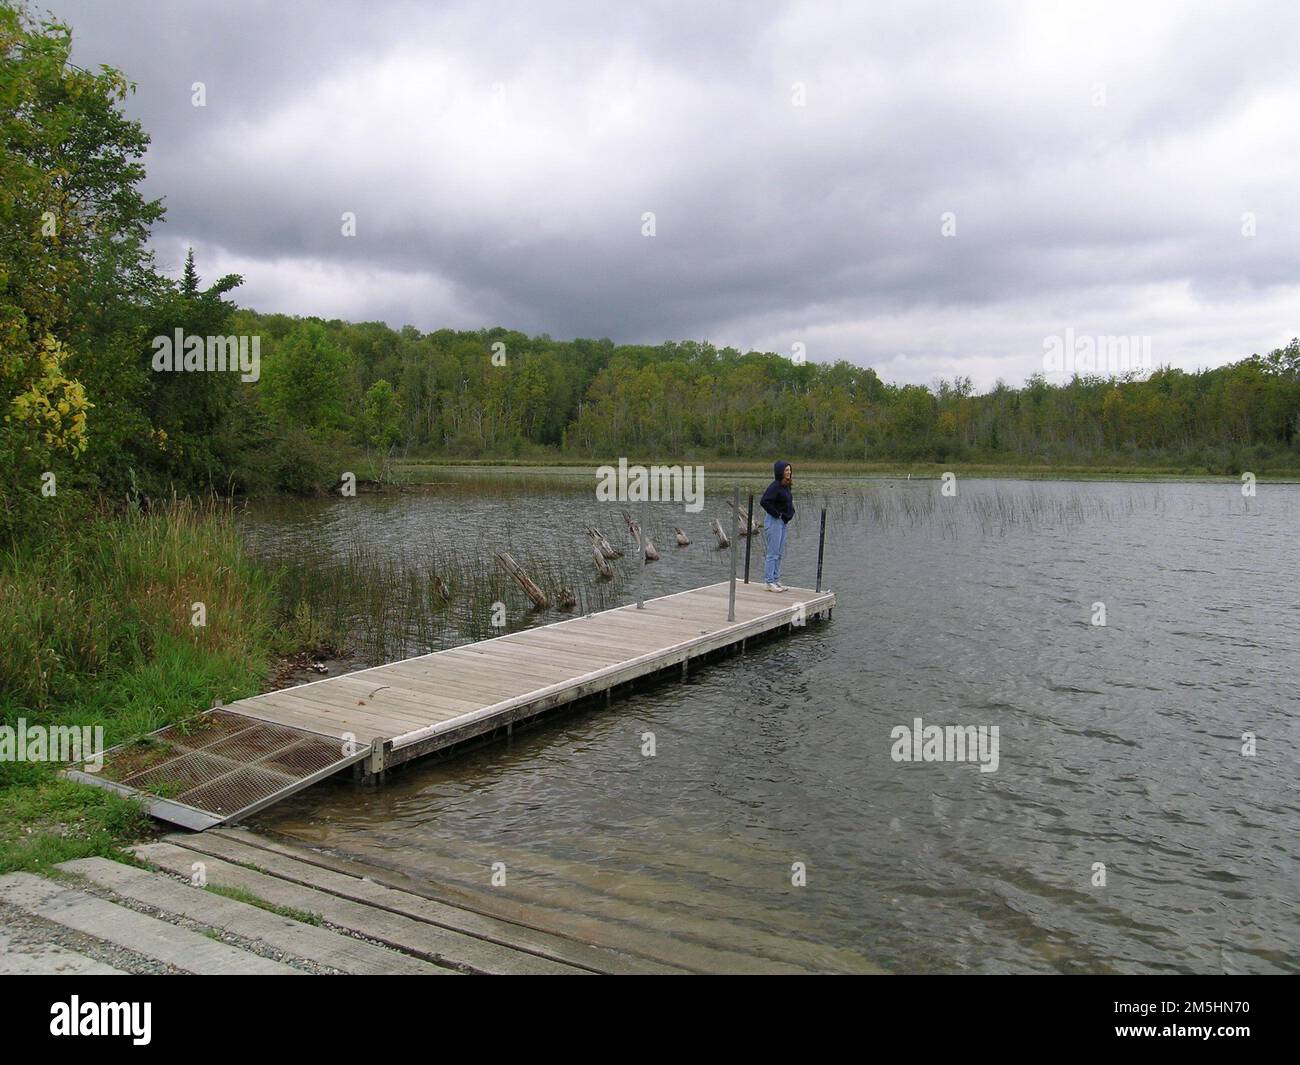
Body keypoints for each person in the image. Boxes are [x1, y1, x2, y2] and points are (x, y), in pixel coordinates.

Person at [759, 460, 794, 591]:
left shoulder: (786, 486)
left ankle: (776, 579)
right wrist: (777, 514)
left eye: (789, 470)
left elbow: (788, 501)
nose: (789, 472)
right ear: (780, 472)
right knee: (772, 553)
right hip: (774, 522)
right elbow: (764, 501)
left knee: (779, 553)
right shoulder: (775, 486)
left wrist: (791, 512)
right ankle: (768, 582)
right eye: (786, 470)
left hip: (783, 522)